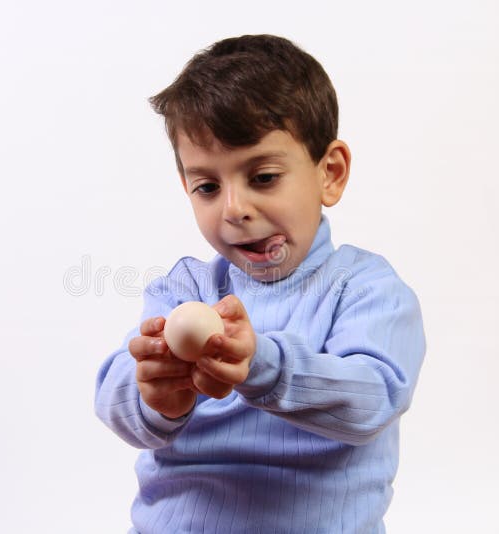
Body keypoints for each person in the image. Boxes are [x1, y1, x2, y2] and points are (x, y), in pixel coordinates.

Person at [95, 34, 426, 533]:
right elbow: (116, 395)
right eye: (207, 186)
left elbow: (373, 398)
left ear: (329, 174)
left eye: (264, 176)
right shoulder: (185, 290)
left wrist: (263, 366)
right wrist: (154, 396)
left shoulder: (365, 289)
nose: (234, 209)